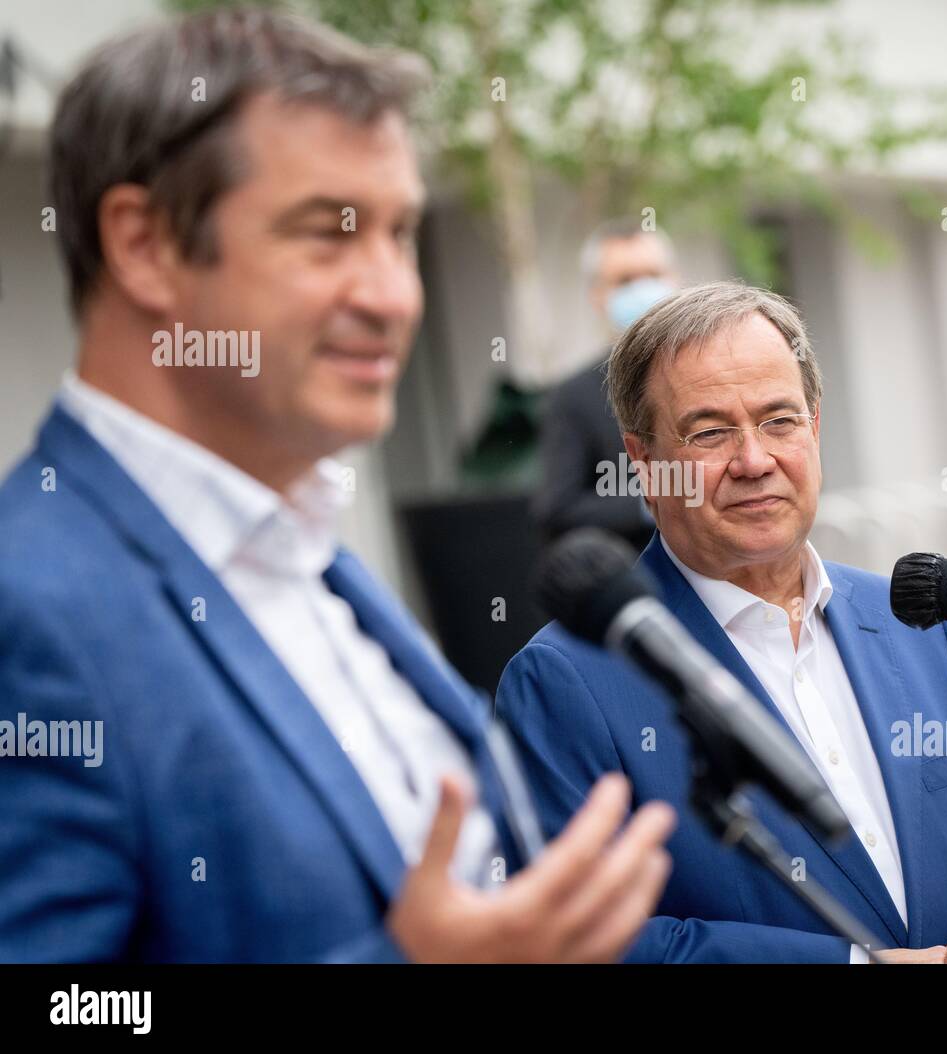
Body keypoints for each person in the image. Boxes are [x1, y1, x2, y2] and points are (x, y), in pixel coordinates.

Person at [0, 8, 674, 963]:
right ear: (144, 246)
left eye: (400, 236)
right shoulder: (28, 606)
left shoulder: (307, 557)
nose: (394, 293)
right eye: (330, 235)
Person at [497, 282, 947, 963]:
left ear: (815, 428)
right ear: (645, 465)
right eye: (710, 432)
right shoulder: (566, 681)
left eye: (779, 420)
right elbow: (576, 942)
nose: (754, 460)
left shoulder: (911, 621)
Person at [531, 219, 678, 549]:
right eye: (625, 280)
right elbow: (557, 509)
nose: (643, 289)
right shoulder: (573, 397)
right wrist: (656, 503)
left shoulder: (714, 374)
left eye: (653, 275)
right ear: (597, 295)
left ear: (674, 279)